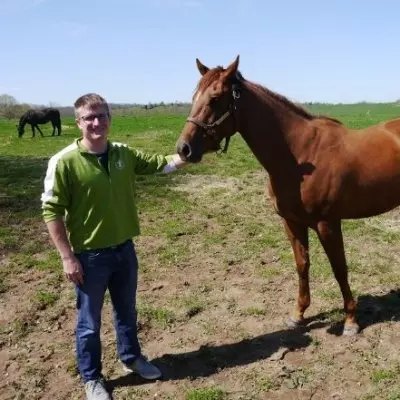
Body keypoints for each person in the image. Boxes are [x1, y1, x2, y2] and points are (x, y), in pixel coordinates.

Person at [41, 93, 187, 400]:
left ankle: (131, 358)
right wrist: (67, 257)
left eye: (102, 116)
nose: (96, 123)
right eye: (89, 118)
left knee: (127, 311)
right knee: (89, 324)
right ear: (78, 122)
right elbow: (51, 211)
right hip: (89, 258)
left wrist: (188, 154)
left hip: (124, 250)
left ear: (110, 118)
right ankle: (92, 378)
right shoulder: (64, 162)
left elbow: (159, 164)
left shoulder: (123, 153)